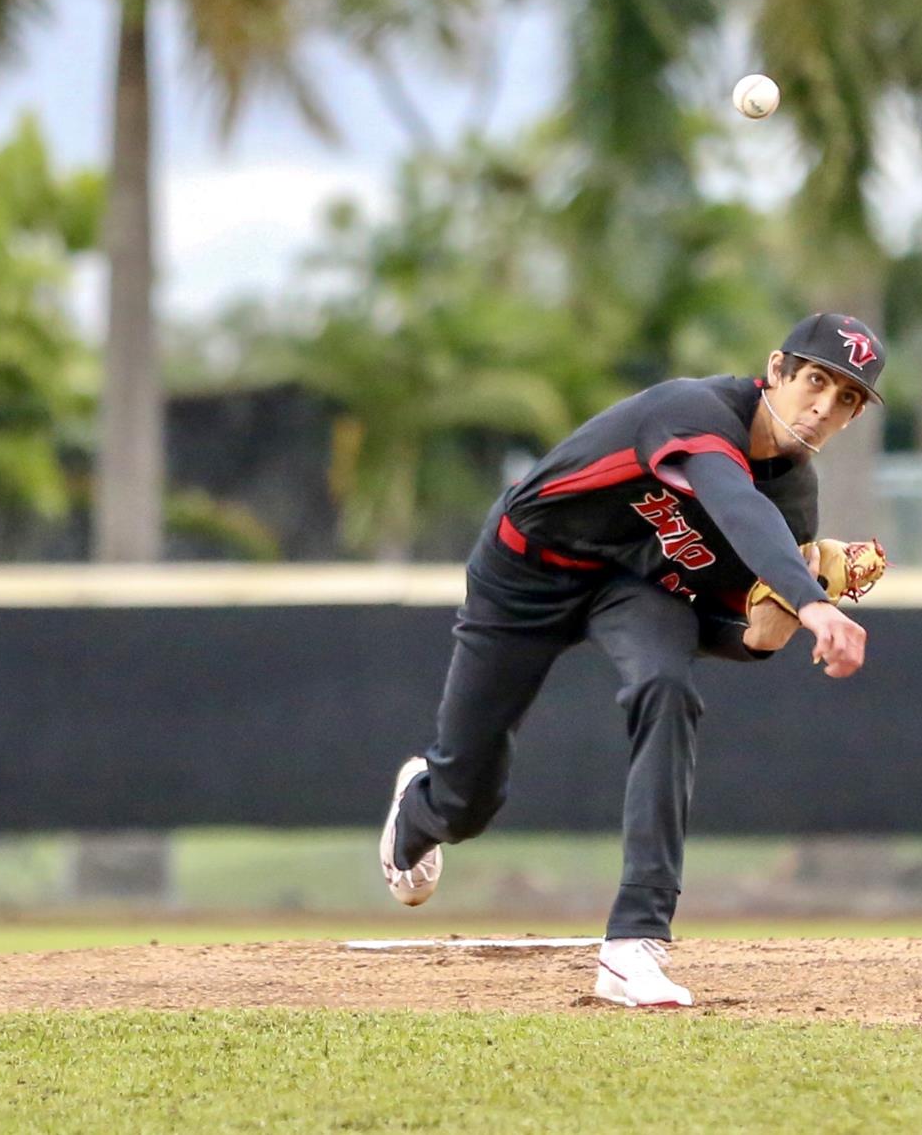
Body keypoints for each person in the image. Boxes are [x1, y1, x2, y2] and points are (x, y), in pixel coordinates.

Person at [377, 313, 885, 1007]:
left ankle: (634, 943)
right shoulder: (693, 410)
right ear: (776, 370)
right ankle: (421, 809)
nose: (825, 405)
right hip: (526, 568)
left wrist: (798, 602)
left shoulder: (794, 502)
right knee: (469, 798)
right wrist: (815, 600)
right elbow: (731, 498)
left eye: (847, 398)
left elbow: (752, 639)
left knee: (667, 685)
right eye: (817, 380)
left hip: (635, 589)